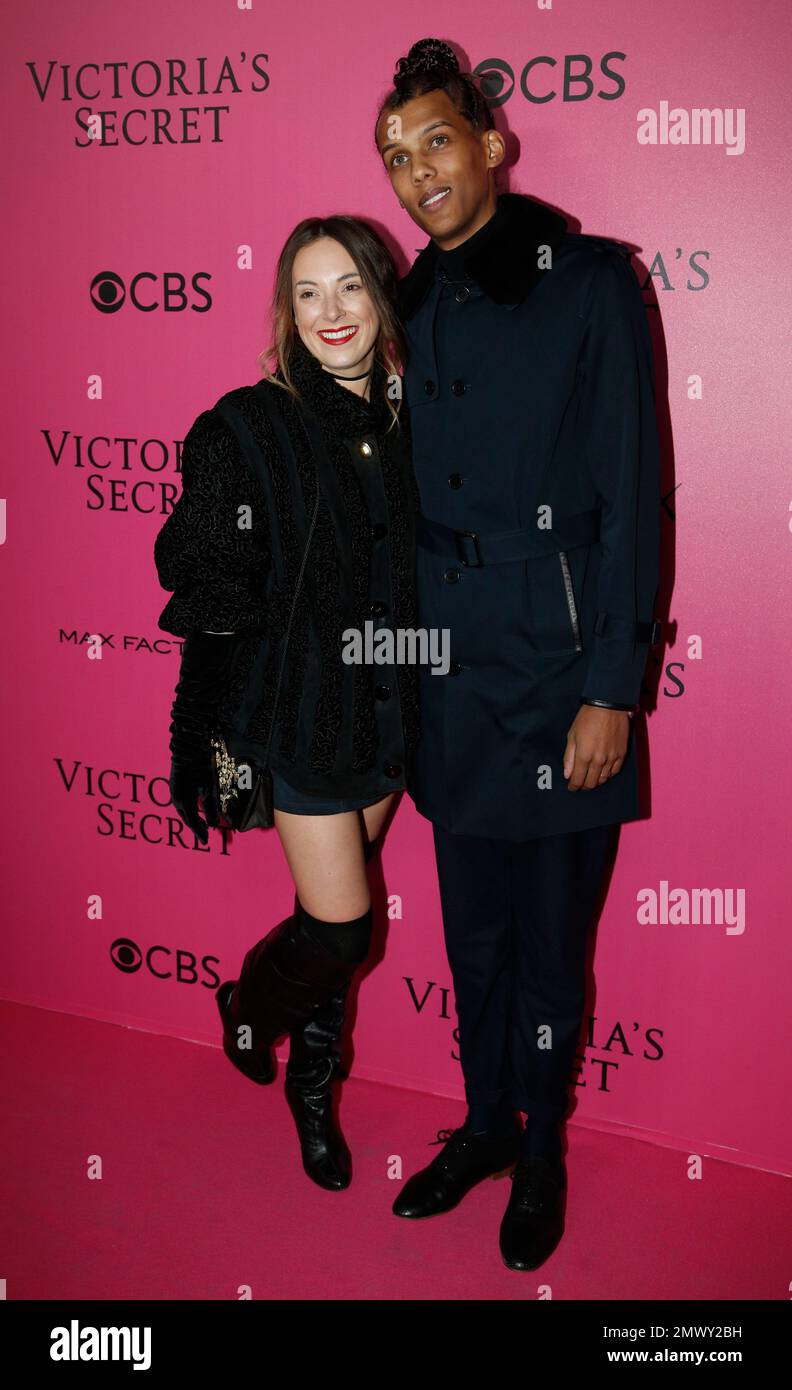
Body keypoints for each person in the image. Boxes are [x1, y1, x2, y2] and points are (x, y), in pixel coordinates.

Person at [374, 39, 663, 1270]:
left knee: (551, 945)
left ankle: (540, 1146)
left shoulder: (591, 282)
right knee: (471, 941)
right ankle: (486, 1122)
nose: (417, 172)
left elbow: (635, 495)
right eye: (395, 156)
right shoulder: (407, 302)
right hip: (448, 676)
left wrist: (612, 687)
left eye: (436, 140)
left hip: (556, 680)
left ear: (492, 143)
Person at [153, 218, 421, 1192]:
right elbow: (216, 603)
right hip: (304, 711)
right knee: (346, 927)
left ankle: (292, 1055)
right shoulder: (248, 430)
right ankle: (278, 1048)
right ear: (285, 310)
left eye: (350, 287)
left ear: (381, 298)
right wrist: (199, 737)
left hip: (391, 704)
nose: (330, 312)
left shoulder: (410, 421)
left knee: (327, 928)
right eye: (307, 293)